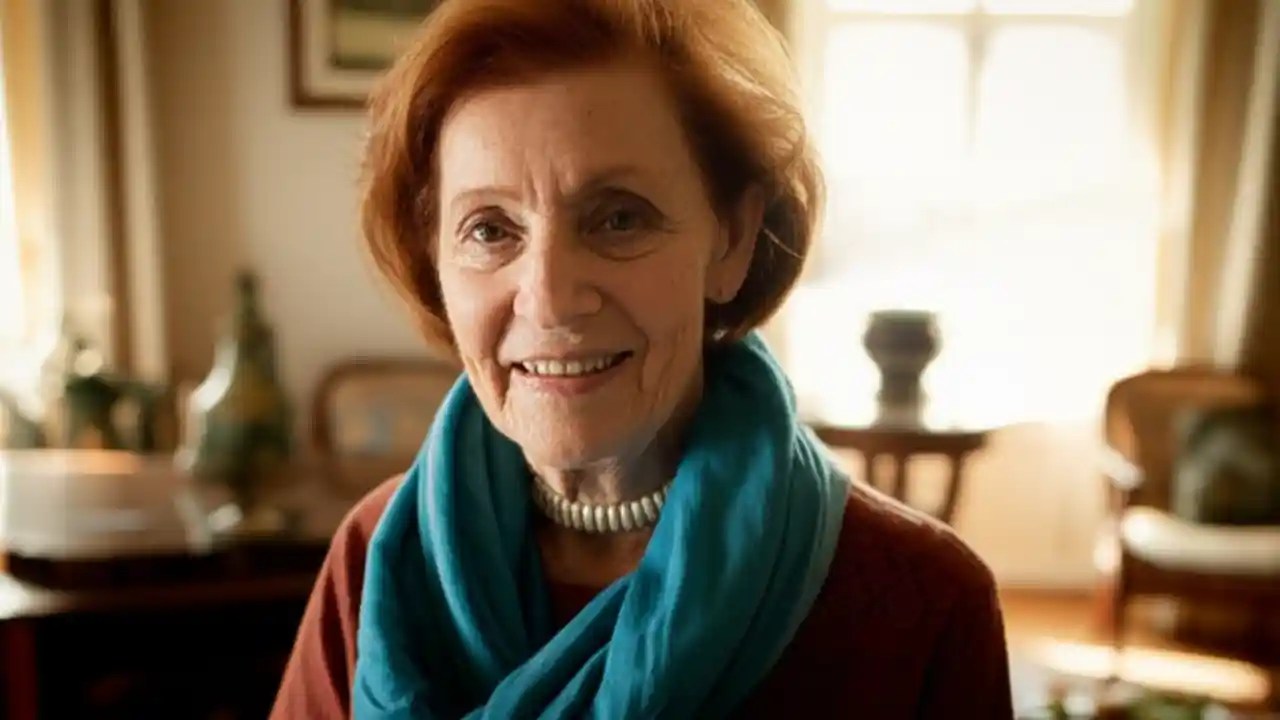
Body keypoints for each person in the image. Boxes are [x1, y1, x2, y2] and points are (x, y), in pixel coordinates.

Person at [272, 0, 1014, 717]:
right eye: (491, 230)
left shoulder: (921, 601)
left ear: (731, 241)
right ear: (434, 260)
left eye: (618, 218)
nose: (551, 299)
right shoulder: (379, 561)